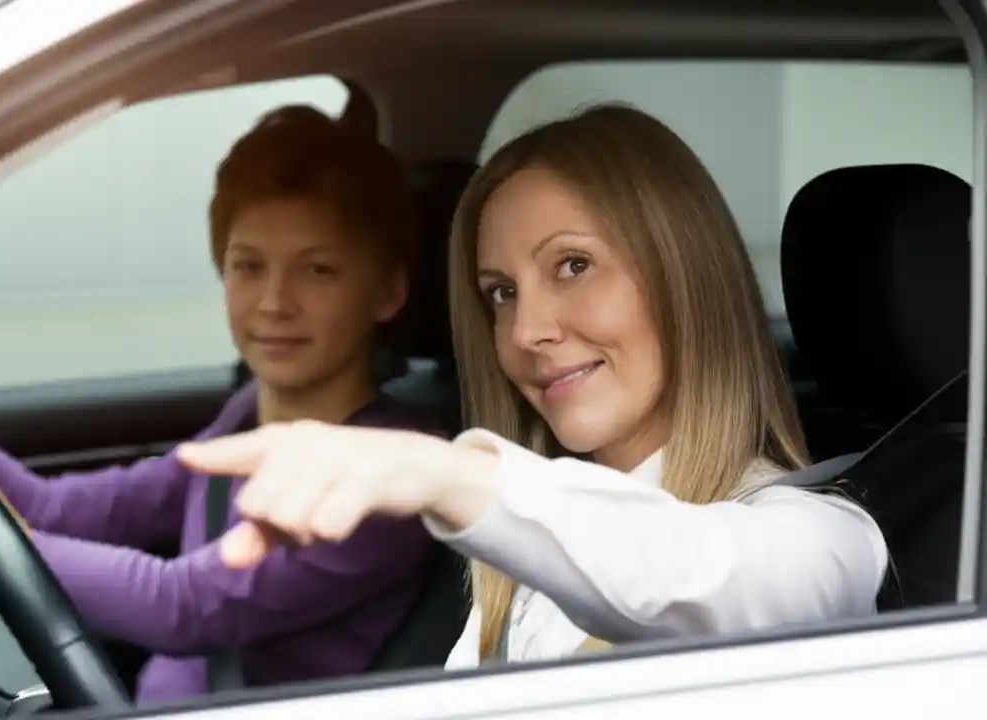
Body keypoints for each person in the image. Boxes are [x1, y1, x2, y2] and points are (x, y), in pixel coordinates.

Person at [0, 105, 441, 701]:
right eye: (247, 265)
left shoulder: (385, 481)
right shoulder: (242, 422)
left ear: (387, 291)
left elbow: (181, 606)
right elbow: (55, 510)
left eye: (318, 270)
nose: (272, 302)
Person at [176, 103, 889, 668]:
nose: (526, 331)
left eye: (573, 265)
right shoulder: (514, 582)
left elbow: (697, 579)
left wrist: (442, 473)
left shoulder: (824, 539)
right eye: (502, 292)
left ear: (685, 277)